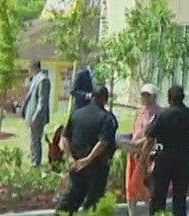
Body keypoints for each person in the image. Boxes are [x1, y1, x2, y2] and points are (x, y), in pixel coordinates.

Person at [145, 84, 189, 216]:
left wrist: (144, 161)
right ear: (183, 98)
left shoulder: (162, 115)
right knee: (180, 198)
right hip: (184, 159)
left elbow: (149, 139)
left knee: (158, 197)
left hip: (164, 159)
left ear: (169, 99)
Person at [57, 85, 117, 214]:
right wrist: (88, 159)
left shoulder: (76, 114)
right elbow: (104, 142)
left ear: (91, 96)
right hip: (97, 166)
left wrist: (70, 158)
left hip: (76, 164)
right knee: (93, 202)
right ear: (105, 99)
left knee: (73, 197)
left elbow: (65, 137)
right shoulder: (107, 118)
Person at [125, 84, 160, 216]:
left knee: (145, 185)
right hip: (133, 151)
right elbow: (135, 131)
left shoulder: (158, 113)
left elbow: (154, 136)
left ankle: (150, 212)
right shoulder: (139, 112)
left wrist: (142, 142)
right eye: (143, 94)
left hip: (148, 154)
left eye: (148, 95)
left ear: (154, 96)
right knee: (130, 185)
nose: (145, 97)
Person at [23, 61, 53, 166]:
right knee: (33, 140)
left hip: (37, 116)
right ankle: (33, 160)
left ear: (33, 67)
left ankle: (36, 162)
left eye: (29, 68)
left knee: (35, 140)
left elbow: (42, 101)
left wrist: (36, 117)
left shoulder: (43, 80)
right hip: (31, 114)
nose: (28, 70)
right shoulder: (35, 79)